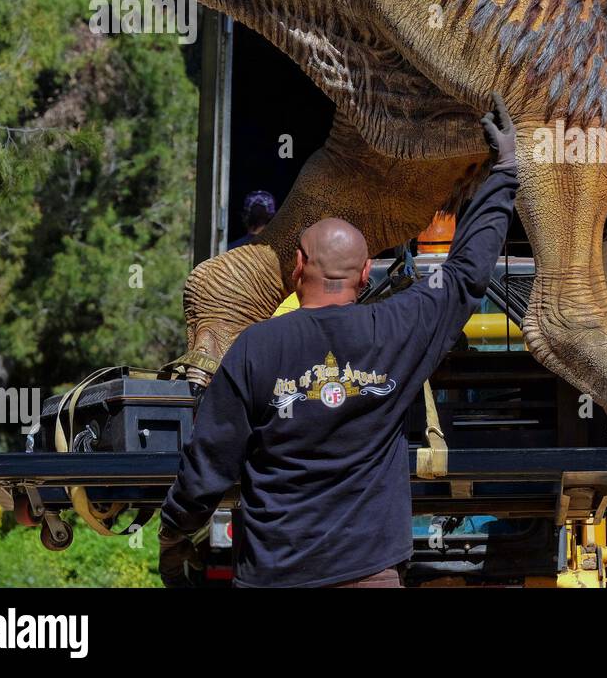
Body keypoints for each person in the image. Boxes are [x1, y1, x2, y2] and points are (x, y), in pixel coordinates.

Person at [158, 93, 519, 587]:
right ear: (366, 273)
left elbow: (208, 466)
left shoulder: (254, 349)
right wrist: (504, 171)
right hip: (369, 576)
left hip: (274, 577)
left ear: (298, 265)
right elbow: (465, 275)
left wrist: (174, 537)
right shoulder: (398, 330)